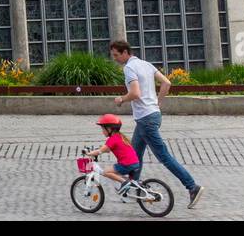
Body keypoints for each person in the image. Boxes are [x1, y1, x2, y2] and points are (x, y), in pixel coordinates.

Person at [109, 40, 203, 208]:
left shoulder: (129, 68)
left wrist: (121, 99)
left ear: (125, 53)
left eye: (116, 55)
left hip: (145, 119)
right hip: (152, 115)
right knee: (135, 155)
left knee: (164, 157)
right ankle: (132, 186)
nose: (114, 58)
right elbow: (167, 83)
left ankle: (192, 187)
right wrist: (157, 103)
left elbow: (135, 93)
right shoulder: (146, 64)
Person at [87, 113, 140, 197]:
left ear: (109, 129)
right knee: (117, 173)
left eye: (103, 129)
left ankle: (124, 183)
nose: (102, 131)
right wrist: (99, 150)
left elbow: (101, 151)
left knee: (106, 172)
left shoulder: (112, 139)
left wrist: (89, 153)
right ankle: (128, 188)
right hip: (135, 162)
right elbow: (107, 150)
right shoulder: (120, 136)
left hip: (126, 164)